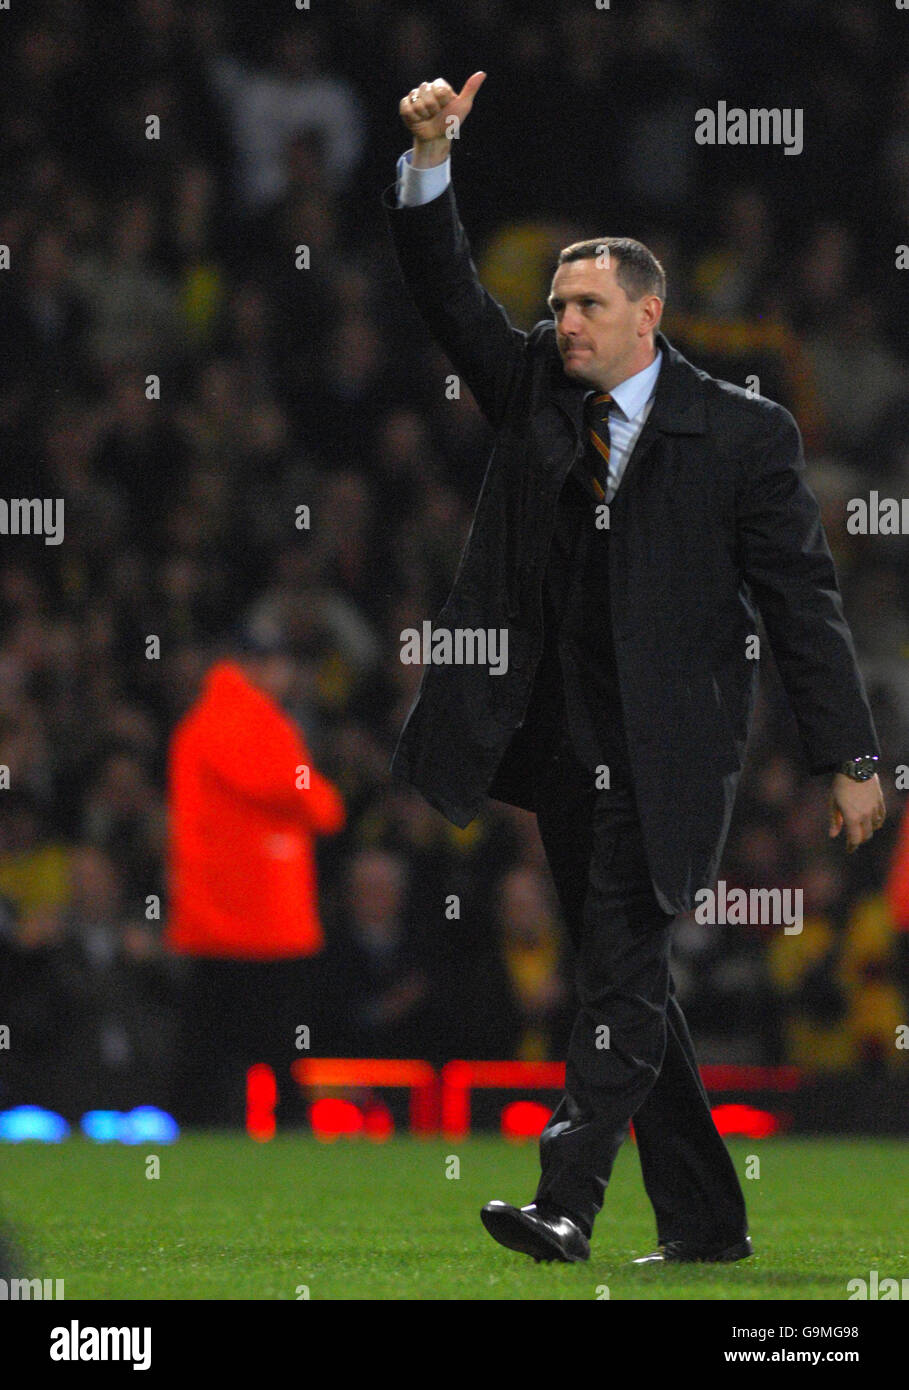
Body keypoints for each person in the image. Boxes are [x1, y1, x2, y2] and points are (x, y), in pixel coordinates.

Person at [382, 73, 887, 1265]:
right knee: (632, 987)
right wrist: (430, 161)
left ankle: (568, 1201)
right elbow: (446, 292)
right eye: (557, 304)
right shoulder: (532, 394)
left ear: (648, 317)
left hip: (671, 757)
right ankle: (709, 1225)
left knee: (616, 971)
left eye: (587, 306)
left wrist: (852, 752)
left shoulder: (744, 434)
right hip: (563, 751)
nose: (562, 322)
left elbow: (801, 602)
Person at [165, 635, 345, 1126]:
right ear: (258, 665)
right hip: (254, 913)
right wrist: (324, 800)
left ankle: (198, 1126)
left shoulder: (208, 719)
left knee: (213, 1039)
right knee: (274, 1036)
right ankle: (281, 1122)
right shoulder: (247, 718)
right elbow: (300, 787)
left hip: (221, 912)